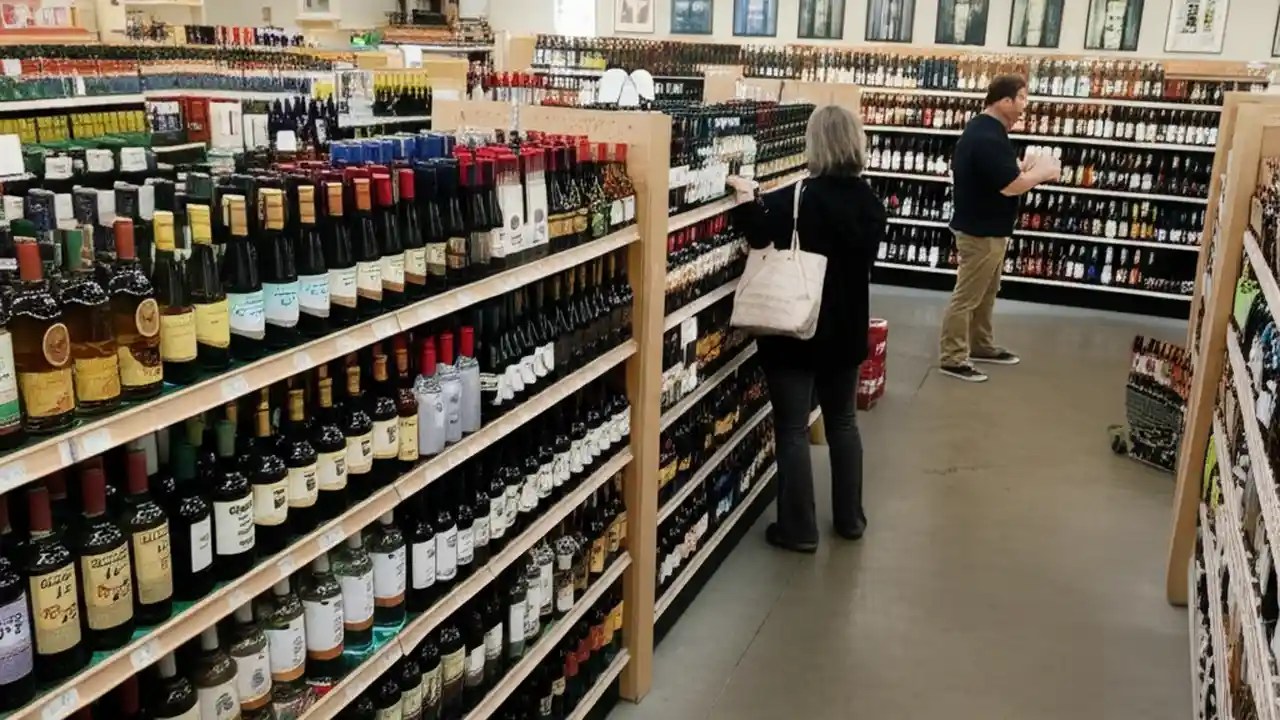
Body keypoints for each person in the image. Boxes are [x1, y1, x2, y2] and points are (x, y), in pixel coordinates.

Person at [726, 104, 886, 553]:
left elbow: (758, 233)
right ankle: (850, 519)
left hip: (796, 331)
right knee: (843, 423)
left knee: (793, 428)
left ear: (813, 144)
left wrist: (743, 195)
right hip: (847, 331)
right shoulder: (871, 205)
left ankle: (798, 530)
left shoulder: (796, 198)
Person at [939, 74, 1061, 383]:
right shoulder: (987, 137)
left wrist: (1024, 169)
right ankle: (952, 358)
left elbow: (998, 177)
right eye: (1021, 99)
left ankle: (981, 345)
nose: (1024, 107)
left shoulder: (989, 132)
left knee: (986, 292)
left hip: (989, 227)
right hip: (980, 230)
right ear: (1004, 101)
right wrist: (1042, 173)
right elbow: (1009, 186)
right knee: (968, 296)